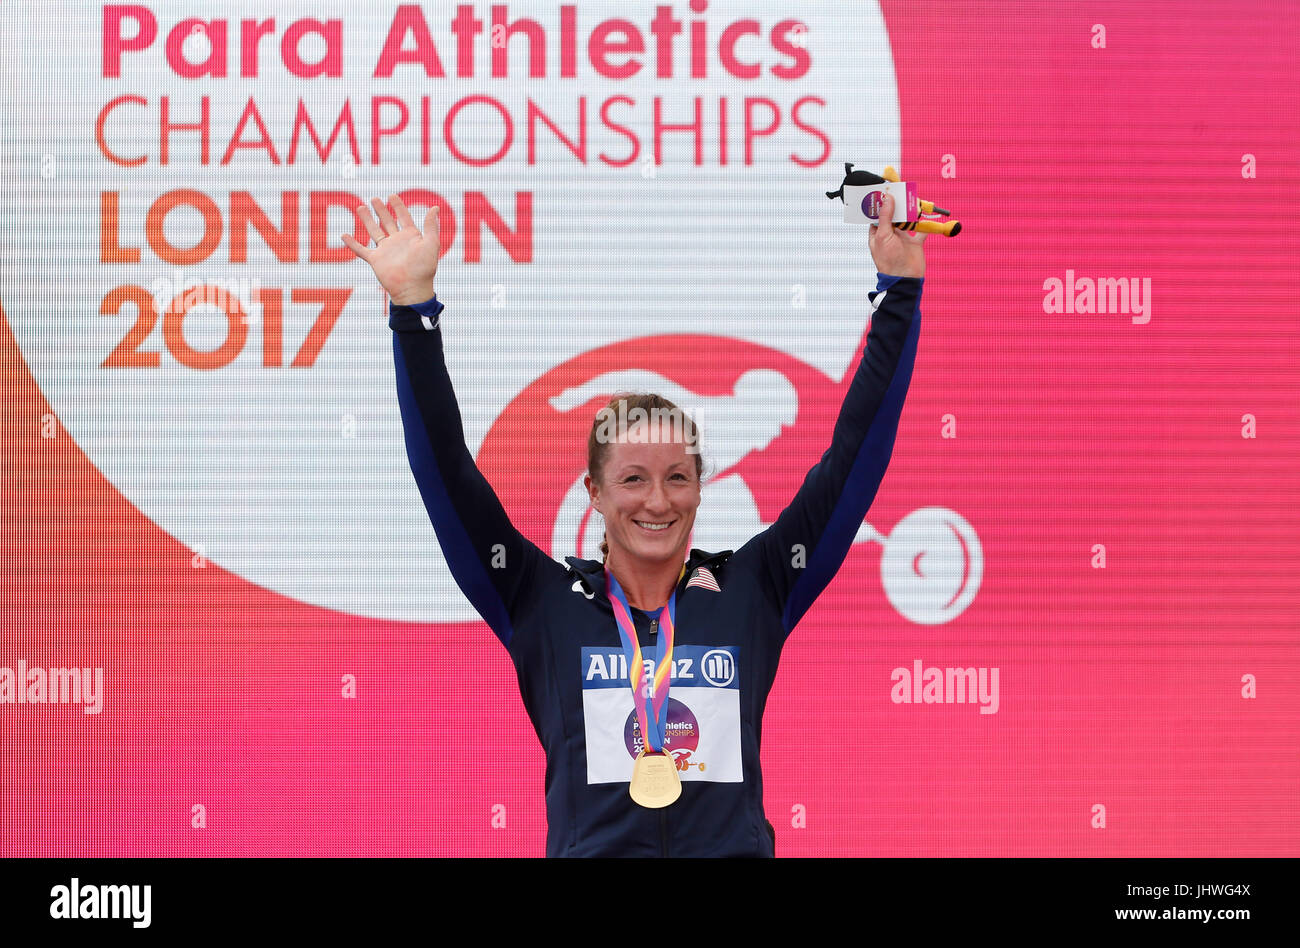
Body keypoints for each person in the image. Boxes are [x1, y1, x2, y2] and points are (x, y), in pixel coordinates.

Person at [343, 191, 926, 857]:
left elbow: (854, 459)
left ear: (701, 488)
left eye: (677, 477)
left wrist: (899, 291)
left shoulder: (756, 587)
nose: (658, 502)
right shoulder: (535, 599)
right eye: (632, 479)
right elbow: (446, 475)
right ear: (593, 491)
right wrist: (413, 314)